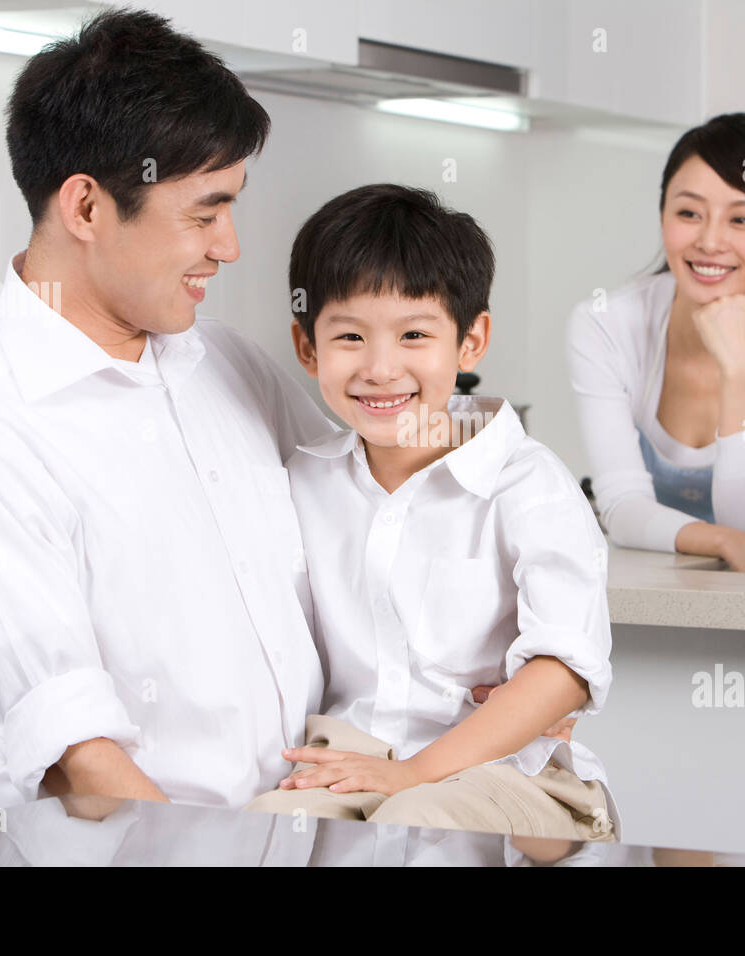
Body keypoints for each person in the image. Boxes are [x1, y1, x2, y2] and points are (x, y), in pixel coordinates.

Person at [0, 9, 338, 809]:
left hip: (312, 829)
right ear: (87, 208)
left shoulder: (229, 366)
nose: (229, 247)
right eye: (203, 213)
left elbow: (366, 522)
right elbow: (81, 762)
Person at [243, 184, 617, 843]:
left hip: (519, 779)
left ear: (471, 342)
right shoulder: (304, 478)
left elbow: (562, 669)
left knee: (418, 823)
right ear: (307, 348)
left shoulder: (526, 484)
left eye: (415, 335)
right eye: (349, 336)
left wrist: (414, 773)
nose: (381, 369)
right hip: (354, 759)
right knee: (263, 830)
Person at [567, 113, 745, 575]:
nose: (710, 240)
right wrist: (720, 540)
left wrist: (738, 368)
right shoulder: (604, 324)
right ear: (662, 214)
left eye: (741, 218)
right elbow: (619, 507)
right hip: (668, 584)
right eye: (689, 213)